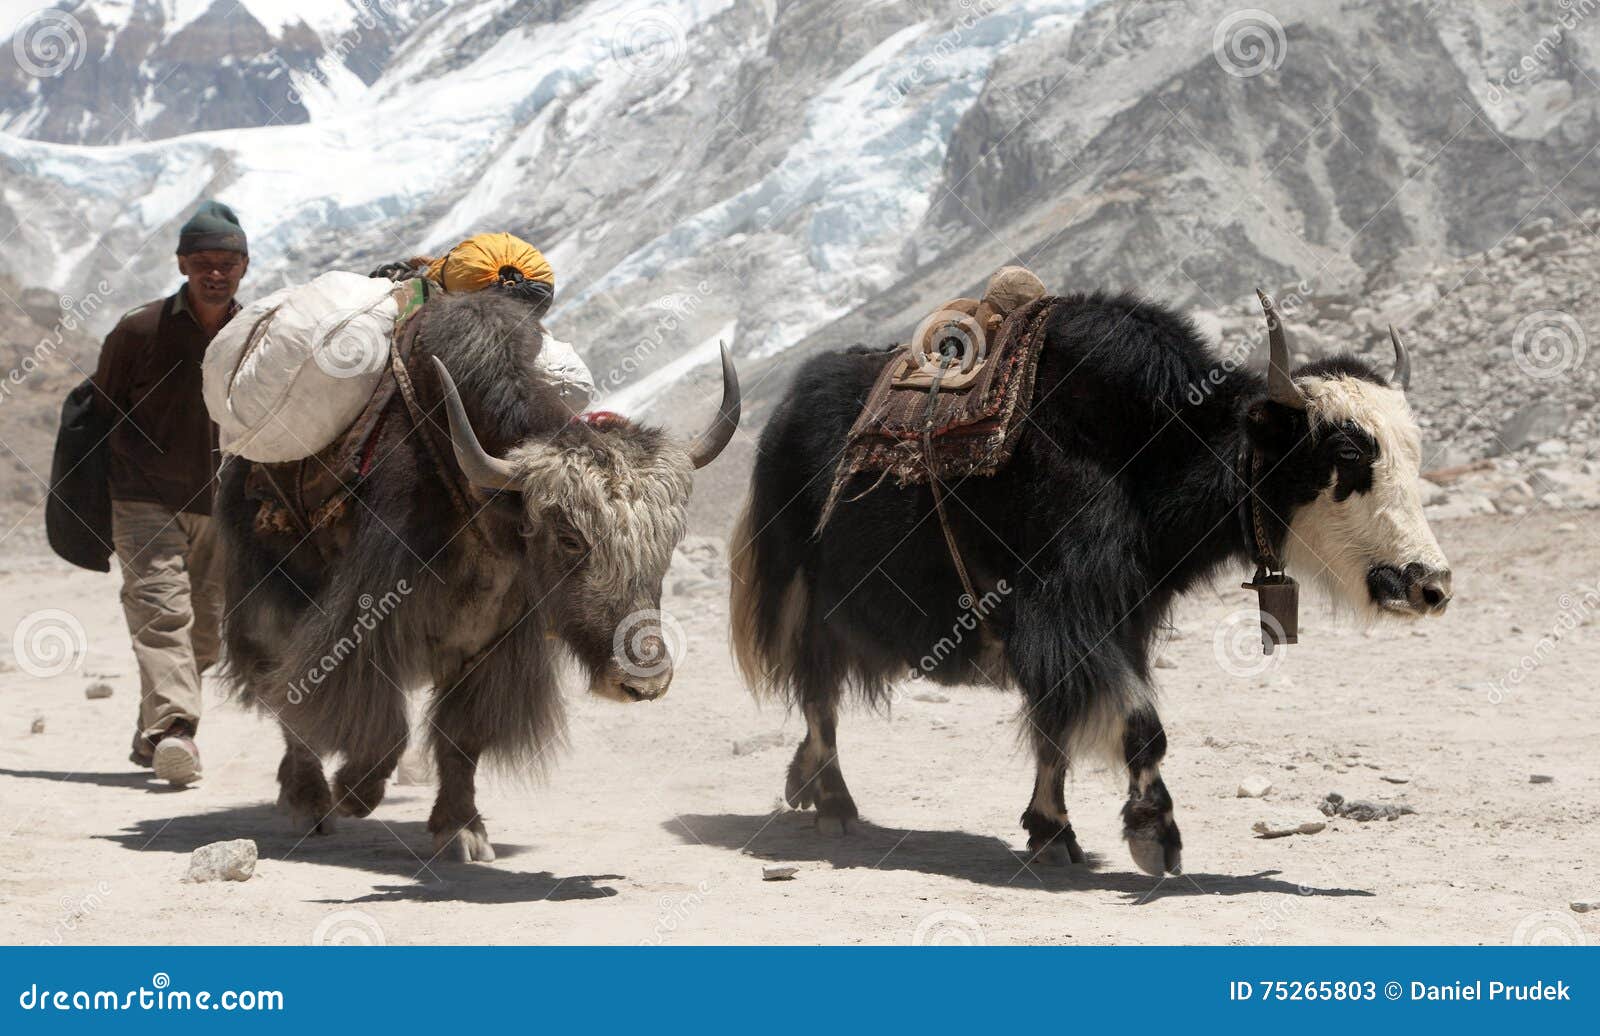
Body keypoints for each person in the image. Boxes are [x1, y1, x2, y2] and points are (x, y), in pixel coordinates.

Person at [90, 200, 248, 786]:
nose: (215, 272)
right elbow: (102, 412)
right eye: (203, 260)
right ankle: (177, 732)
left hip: (221, 504)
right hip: (143, 498)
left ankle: (149, 731)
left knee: (204, 632)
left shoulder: (254, 334)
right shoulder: (139, 329)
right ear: (182, 263)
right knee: (162, 615)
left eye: (227, 261)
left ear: (244, 266)